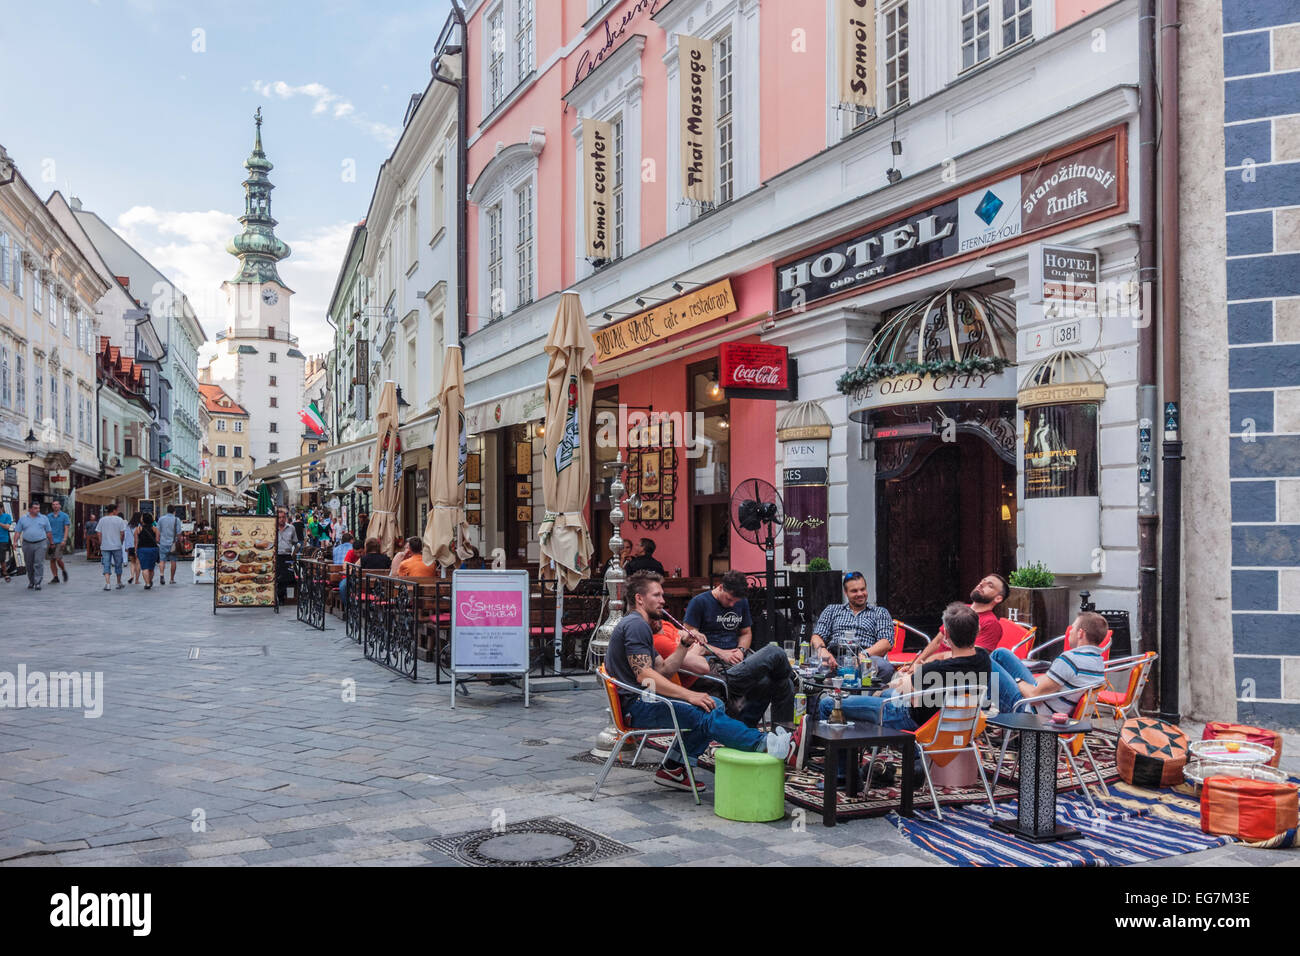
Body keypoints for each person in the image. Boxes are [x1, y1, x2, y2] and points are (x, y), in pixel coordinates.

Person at [607, 571, 792, 793]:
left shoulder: (640, 625)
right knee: (706, 713)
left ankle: (674, 767)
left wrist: (683, 645)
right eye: (657, 595)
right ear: (639, 598)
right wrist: (689, 695)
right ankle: (763, 743)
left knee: (715, 704)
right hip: (638, 704)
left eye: (662, 595)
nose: (663, 600)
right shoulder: (636, 626)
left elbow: (663, 669)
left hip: (644, 699)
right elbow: (645, 675)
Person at [817, 602, 991, 732]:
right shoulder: (984, 659)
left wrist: (906, 677)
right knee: (882, 693)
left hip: (910, 719)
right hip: (956, 725)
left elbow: (907, 696)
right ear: (977, 632)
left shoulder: (934, 670)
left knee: (828, 703)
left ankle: (840, 771)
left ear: (946, 636)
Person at [682, 570, 798, 729]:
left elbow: (746, 633)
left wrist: (741, 650)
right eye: (729, 599)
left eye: (735, 602)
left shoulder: (740, 602)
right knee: (774, 651)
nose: (732, 604)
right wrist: (720, 652)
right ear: (721, 587)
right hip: (713, 667)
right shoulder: (699, 603)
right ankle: (795, 677)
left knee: (783, 684)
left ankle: (778, 736)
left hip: (739, 663)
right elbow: (688, 642)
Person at [988, 611, 1108, 715]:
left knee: (984, 660)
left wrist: (1017, 680)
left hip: (1029, 713)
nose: (1070, 632)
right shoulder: (1098, 662)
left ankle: (981, 713)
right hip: (1048, 707)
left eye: (1072, 628)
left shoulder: (1070, 660)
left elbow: (1034, 697)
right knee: (1001, 654)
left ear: (1080, 633)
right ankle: (989, 709)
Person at [902, 573, 1009, 671]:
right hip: (930, 668)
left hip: (950, 676)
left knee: (891, 690)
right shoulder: (961, 610)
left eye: (989, 585)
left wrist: (924, 667)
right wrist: (913, 666)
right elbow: (937, 642)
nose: (981, 584)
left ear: (998, 598)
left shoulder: (991, 623)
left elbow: (968, 658)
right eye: (982, 581)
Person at [809, 571, 897, 681]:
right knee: (811, 667)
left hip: (866, 658)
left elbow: (887, 642)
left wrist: (865, 654)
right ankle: (822, 698)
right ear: (846, 592)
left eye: (862, 589)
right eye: (854, 591)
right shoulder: (832, 610)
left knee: (885, 668)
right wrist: (823, 651)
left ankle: (871, 697)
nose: (860, 594)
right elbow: (816, 636)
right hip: (835, 659)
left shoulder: (879, 612)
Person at [15, 502, 53, 590]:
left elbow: (49, 532)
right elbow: (18, 531)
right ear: (30, 509)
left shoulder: (44, 518)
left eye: (38, 508)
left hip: (41, 543)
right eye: (35, 508)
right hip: (27, 543)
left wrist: (51, 543)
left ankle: (37, 582)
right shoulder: (23, 519)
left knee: (38, 563)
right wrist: (15, 542)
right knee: (29, 564)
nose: (38, 510)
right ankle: (31, 581)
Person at [96, 503, 128, 590]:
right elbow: (122, 533)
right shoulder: (119, 520)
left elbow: (98, 533)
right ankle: (118, 582)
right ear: (114, 510)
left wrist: (101, 542)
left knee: (106, 564)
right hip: (117, 546)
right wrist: (121, 542)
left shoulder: (102, 520)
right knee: (118, 564)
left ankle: (108, 583)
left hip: (105, 546)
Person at [45, 500, 72, 585]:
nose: (55, 506)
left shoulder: (64, 516)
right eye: (53, 504)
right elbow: (46, 528)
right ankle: (55, 577)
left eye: (57, 504)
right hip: (50, 540)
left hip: (60, 540)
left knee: (58, 558)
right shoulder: (48, 516)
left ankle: (63, 570)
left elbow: (66, 528)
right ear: (52, 506)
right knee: (52, 559)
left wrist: (64, 539)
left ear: (60, 506)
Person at [156, 506, 183, 586]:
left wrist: (157, 539)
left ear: (167, 511)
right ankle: (171, 579)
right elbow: (179, 533)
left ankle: (161, 575)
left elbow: (158, 530)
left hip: (163, 542)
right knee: (173, 561)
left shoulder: (161, 519)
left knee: (162, 560)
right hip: (173, 544)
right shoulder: (176, 519)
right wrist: (179, 540)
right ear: (174, 511)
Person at [136, 512, 161, 589]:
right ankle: (149, 581)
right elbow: (157, 540)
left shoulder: (138, 529)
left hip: (142, 549)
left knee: (144, 567)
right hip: (153, 549)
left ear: (142, 520)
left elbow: (136, 542)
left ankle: (147, 583)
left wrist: (135, 551)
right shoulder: (155, 529)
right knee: (151, 567)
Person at [0, 502, 14, 582]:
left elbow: (7, 527)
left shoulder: (7, 516)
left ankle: (5, 573)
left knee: (2, 558)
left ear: (1, 508)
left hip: (3, 540)